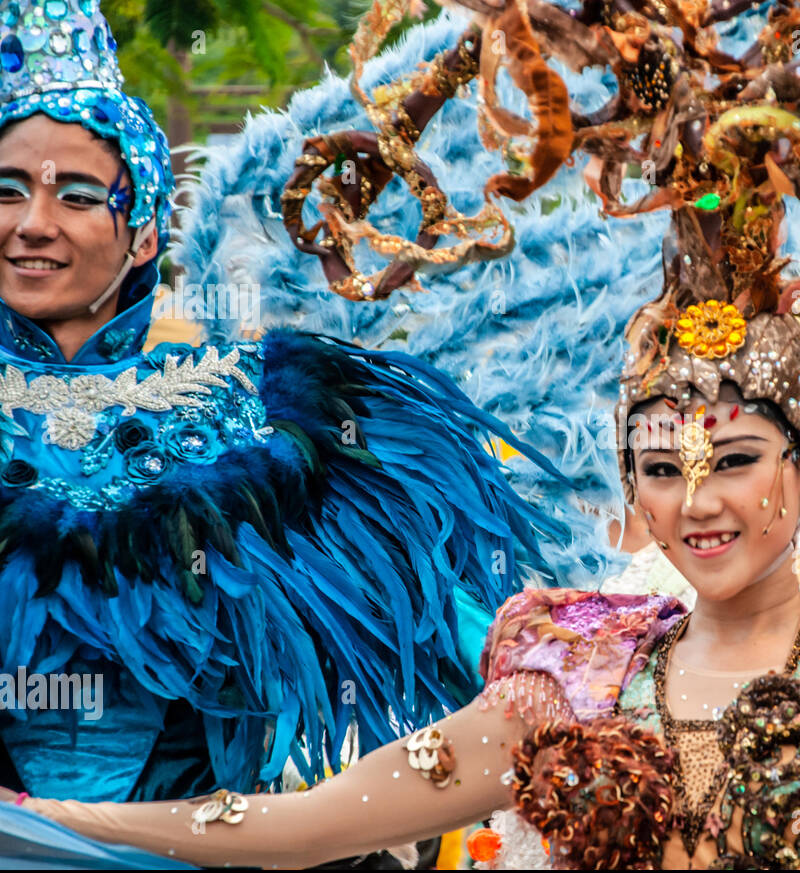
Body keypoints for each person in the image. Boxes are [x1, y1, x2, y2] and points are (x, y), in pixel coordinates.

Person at [7, 289, 800, 869]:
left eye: (736, 459)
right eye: (663, 466)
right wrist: (64, 826)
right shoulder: (561, 681)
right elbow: (292, 828)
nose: (700, 501)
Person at [0, 0, 570, 827]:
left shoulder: (264, 413)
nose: (31, 224)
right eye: (5, 190)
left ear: (147, 232)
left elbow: (460, 645)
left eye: (80, 197)